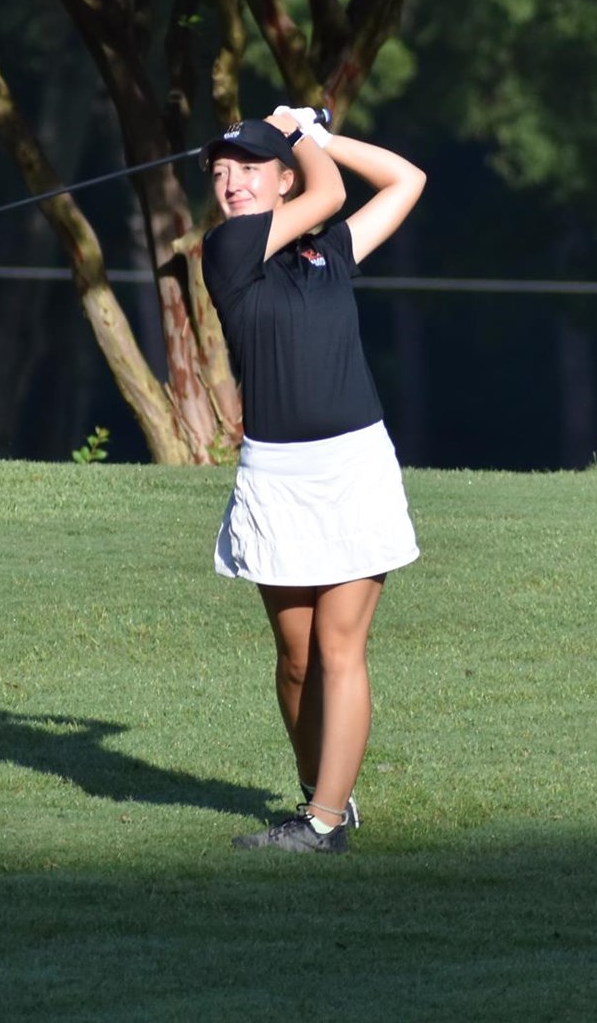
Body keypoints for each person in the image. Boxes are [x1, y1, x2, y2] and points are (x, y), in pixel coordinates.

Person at [200, 108, 425, 855]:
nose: (232, 183)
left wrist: (318, 139)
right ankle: (321, 794)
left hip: (353, 467)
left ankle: (324, 824)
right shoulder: (229, 249)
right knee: (295, 661)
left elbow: (405, 179)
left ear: (283, 179)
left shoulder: (331, 249)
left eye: (249, 169)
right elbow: (326, 195)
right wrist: (295, 134)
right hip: (275, 477)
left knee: (338, 649)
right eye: (222, 173)